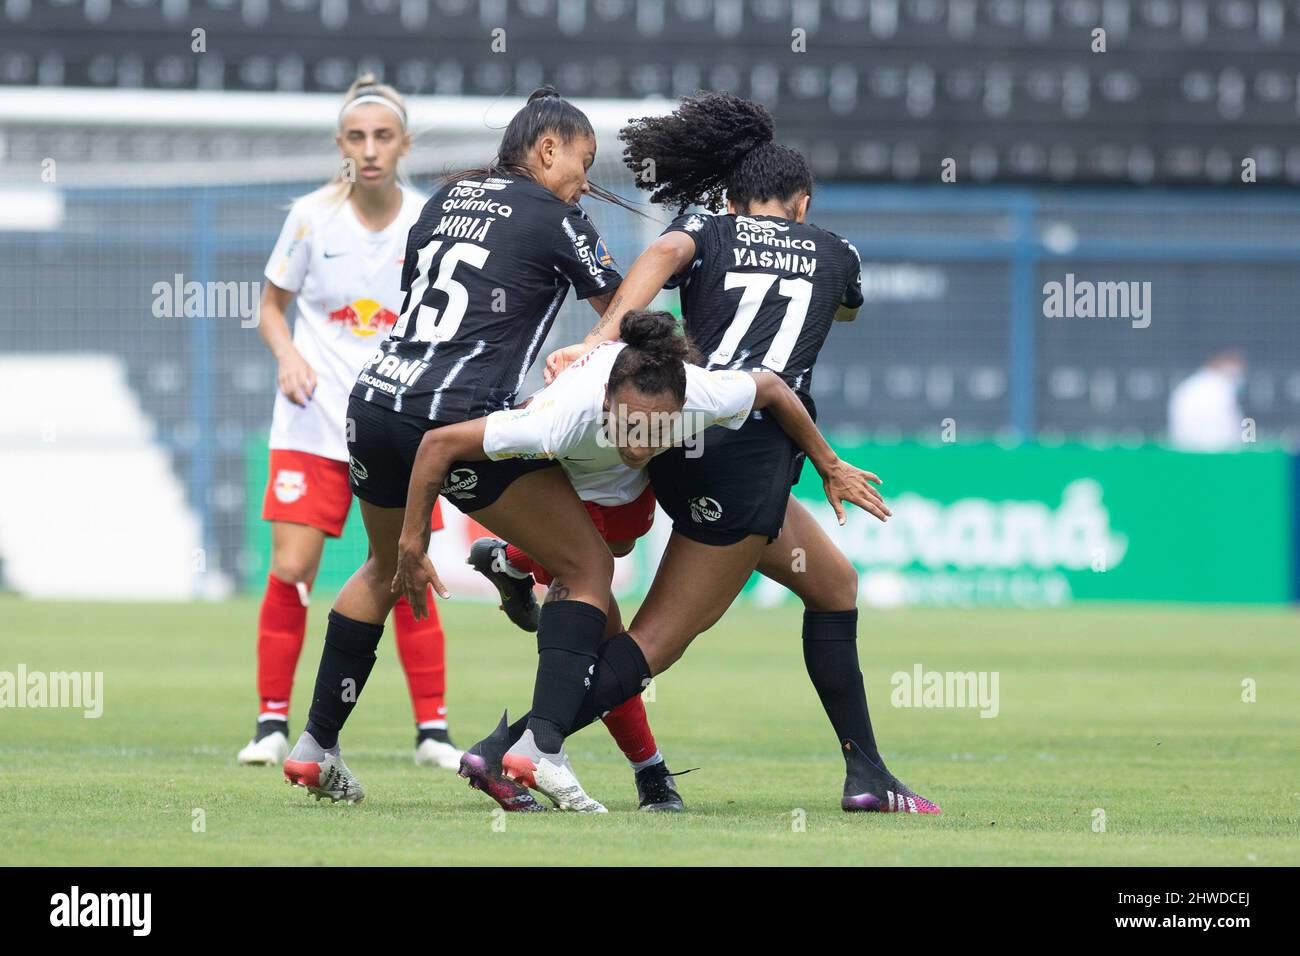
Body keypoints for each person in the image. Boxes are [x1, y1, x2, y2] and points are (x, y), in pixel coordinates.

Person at [529, 91, 939, 813]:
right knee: (657, 642)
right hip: (747, 453)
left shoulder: (705, 227)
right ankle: (519, 750)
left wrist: (602, 340)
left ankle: (867, 774)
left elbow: (660, 253)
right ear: (803, 203)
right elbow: (841, 309)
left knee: (833, 585)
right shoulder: (836, 251)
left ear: (733, 194)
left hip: (683, 431)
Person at [281, 86, 642, 811]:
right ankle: (540, 750)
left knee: (386, 566)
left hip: (376, 401)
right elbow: (627, 314)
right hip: (454, 419)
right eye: (583, 160)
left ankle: (314, 745)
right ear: (548, 149)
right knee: (586, 562)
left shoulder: (442, 203)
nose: (584, 177)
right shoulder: (557, 217)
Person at [394, 309, 882, 813]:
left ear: (681, 410)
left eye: (658, 430)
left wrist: (828, 463)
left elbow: (776, 389)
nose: (639, 443)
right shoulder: (557, 418)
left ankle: (512, 564)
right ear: (606, 399)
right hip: (560, 485)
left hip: (624, 504)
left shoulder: (703, 392)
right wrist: (411, 543)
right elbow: (438, 444)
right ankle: (634, 771)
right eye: (627, 424)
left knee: (621, 553)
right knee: (606, 628)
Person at [238, 74, 458, 772]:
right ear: (341, 144)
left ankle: (434, 734)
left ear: (404, 144)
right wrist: (286, 357)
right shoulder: (308, 217)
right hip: (311, 422)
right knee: (294, 568)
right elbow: (271, 306)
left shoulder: (429, 222)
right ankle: (272, 723)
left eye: (383, 137)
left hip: (395, 429)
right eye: (357, 137)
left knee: (407, 566)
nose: (370, 150)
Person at [1168, 348, 1247, 452]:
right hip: (1217, 456)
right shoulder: (1221, 388)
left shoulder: (1187, 385)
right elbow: (1232, 434)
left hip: (1186, 456)